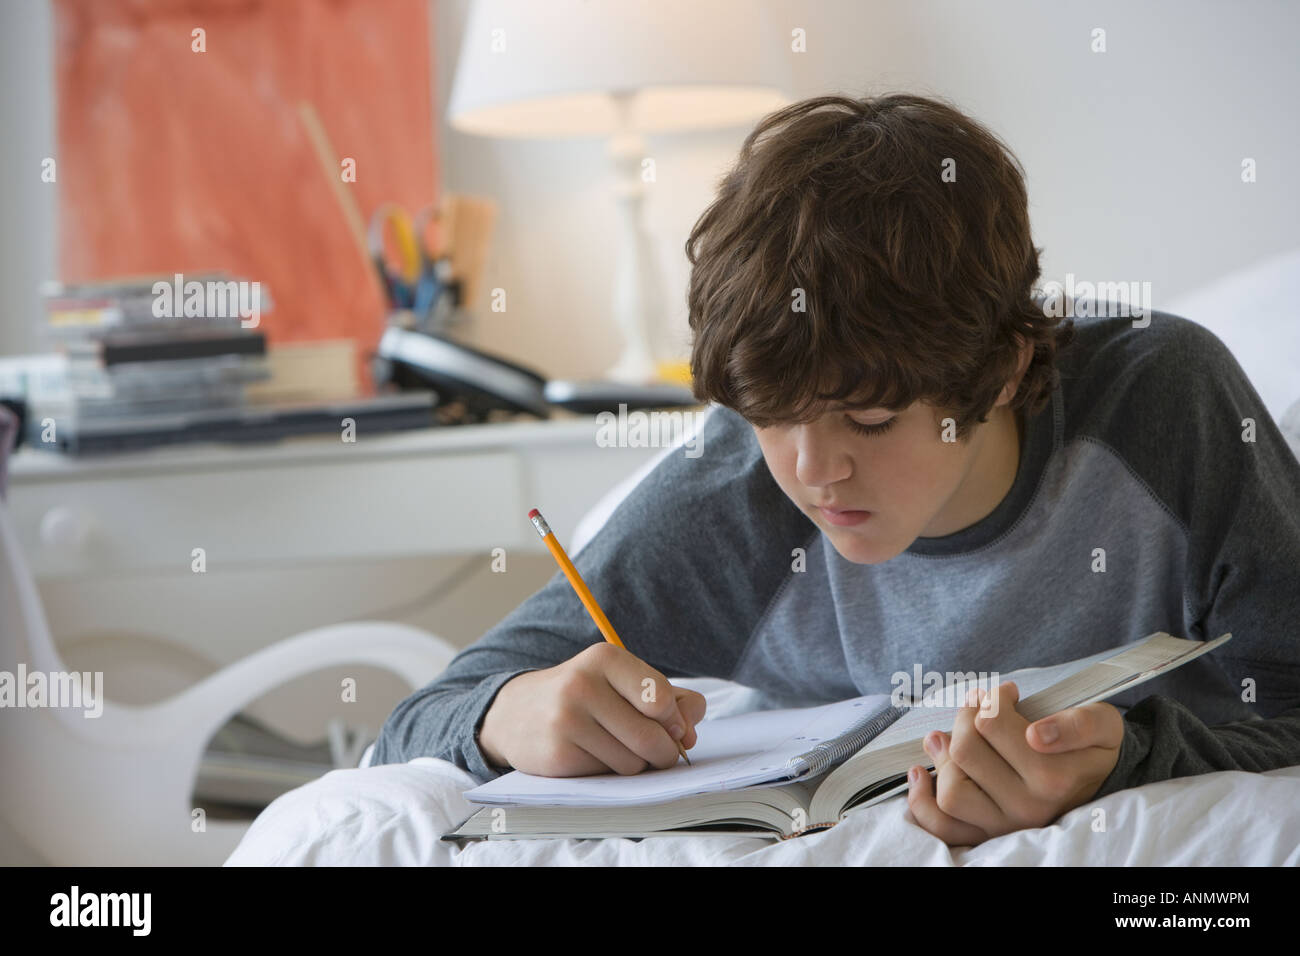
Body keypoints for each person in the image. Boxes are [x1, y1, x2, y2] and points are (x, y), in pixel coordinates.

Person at [371, 93, 1300, 847]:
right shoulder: (732, 494)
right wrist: (508, 716)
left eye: (871, 418)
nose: (814, 473)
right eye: (773, 418)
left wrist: (1132, 761)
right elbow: (417, 724)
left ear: (1006, 366)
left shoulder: (1163, 400)